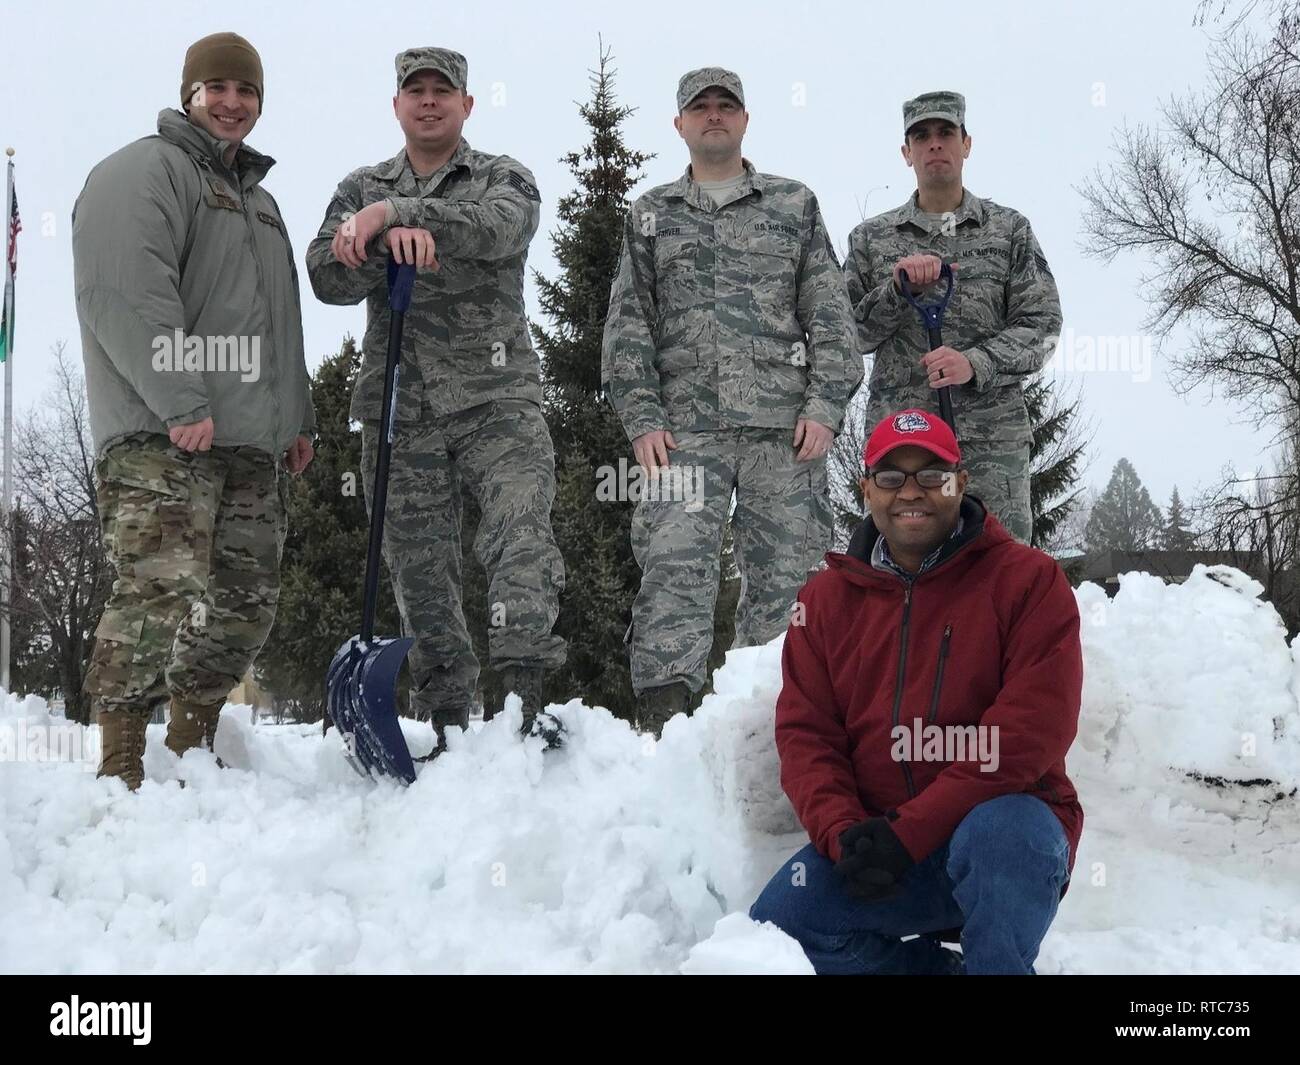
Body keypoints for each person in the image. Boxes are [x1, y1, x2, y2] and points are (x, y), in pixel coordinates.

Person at [750, 409, 1083, 974]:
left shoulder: (1028, 580)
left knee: (1004, 833)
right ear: (866, 488)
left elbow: (1029, 733)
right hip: (886, 842)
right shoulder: (824, 601)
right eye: (891, 476)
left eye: (932, 475)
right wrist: (845, 836)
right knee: (782, 924)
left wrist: (913, 831)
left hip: (1003, 839)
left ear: (961, 482)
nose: (912, 492)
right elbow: (808, 735)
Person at [73, 31, 315, 789]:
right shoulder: (143, 171)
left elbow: (281, 325)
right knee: (159, 583)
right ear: (189, 95)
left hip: (248, 442)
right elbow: (123, 291)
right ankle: (118, 761)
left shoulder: (262, 204)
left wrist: (297, 419)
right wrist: (178, 395)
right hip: (162, 432)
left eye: (246, 92)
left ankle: (191, 748)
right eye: (218, 89)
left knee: (245, 603)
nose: (232, 103)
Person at [306, 47, 565, 752]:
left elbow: (500, 228)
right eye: (414, 91)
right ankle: (447, 712)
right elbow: (326, 273)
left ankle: (521, 701)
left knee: (519, 536)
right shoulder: (358, 184)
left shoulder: (500, 176)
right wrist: (382, 235)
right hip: (400, 404)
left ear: (466, 105)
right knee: (418, 568)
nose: (428, 101)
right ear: (396, 105)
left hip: (496, 400)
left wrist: (396, 213)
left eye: (441, 91)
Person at [601, 67, 859, 735]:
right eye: (700, 107)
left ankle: (776, 731)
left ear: (745, 120)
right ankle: (665, 730)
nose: (714, 116)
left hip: (786, 433)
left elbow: (830, 316)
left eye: (726, 106)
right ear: (680, 124)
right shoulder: (651, 215)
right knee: (674, 573)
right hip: (684, 435)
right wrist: (642, 419)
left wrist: (825, 406)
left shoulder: (793, 205)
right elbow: (628, 326)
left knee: (792, 583)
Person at [843, 91, 1062, 543]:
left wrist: (975, 363)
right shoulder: (870, 239)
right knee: (905, 573)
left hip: (990, 443)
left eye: (946, 133)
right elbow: (848, 334)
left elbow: (1041, 325)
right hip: (903, 447)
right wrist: (897, 292)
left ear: (967, 144)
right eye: (921, 136)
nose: (934, 145)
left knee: (1001, 573)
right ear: (907, 153)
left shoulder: (1009, 230)